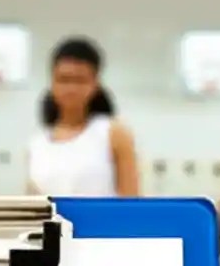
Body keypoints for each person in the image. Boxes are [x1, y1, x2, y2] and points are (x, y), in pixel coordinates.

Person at [27, 37, 139, 197]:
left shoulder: (113, 134)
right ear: (52, 83)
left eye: (80, 80)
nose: (71, 88)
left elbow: (131, 201)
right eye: (63, 80)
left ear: (95, 84)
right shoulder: (38, 143)